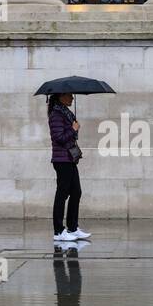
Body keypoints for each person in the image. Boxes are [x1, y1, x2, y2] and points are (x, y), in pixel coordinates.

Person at [48, 93, 90, 243]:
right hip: (62, 160)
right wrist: (73, 129)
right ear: (61, 97)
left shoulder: (66, 114)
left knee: (76, 192)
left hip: (69, 159)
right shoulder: (56, 115)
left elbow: (69, 135)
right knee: (62, 194)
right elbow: (58, 138)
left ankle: (72, 227)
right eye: (69, 96)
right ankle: (59, 231)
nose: (72, 98)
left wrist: (74, 128)